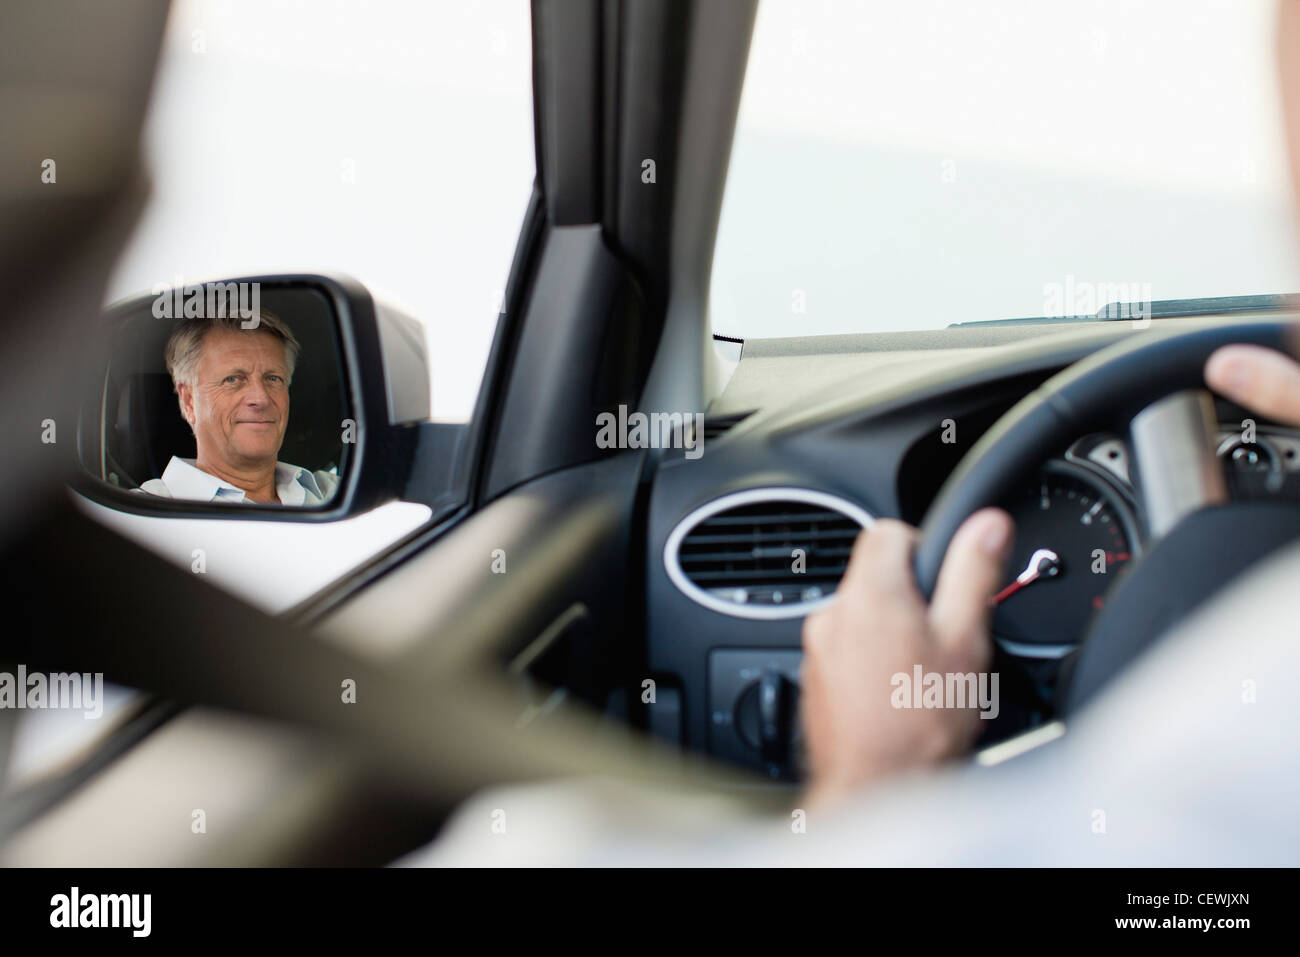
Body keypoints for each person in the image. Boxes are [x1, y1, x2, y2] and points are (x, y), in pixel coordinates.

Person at [138, 310, 338, 506]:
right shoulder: (142, 513)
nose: (261, 399)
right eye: (232, 379)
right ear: (189, 401)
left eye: (273, 378)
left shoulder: (339, 493)